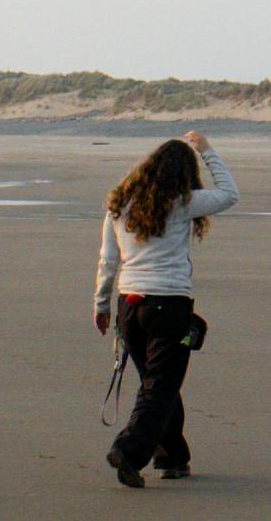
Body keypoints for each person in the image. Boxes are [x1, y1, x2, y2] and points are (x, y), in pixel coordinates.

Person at [89, 128, 238, 486]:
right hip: (167, 304)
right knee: (160, 385)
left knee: (158, 384)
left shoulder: (118, 205)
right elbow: (230, 194)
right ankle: (129, 450)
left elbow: (108, 261)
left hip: (129, 305)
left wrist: (101, 304)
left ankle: (172, 456)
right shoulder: (181, 201)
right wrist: (207, 149)